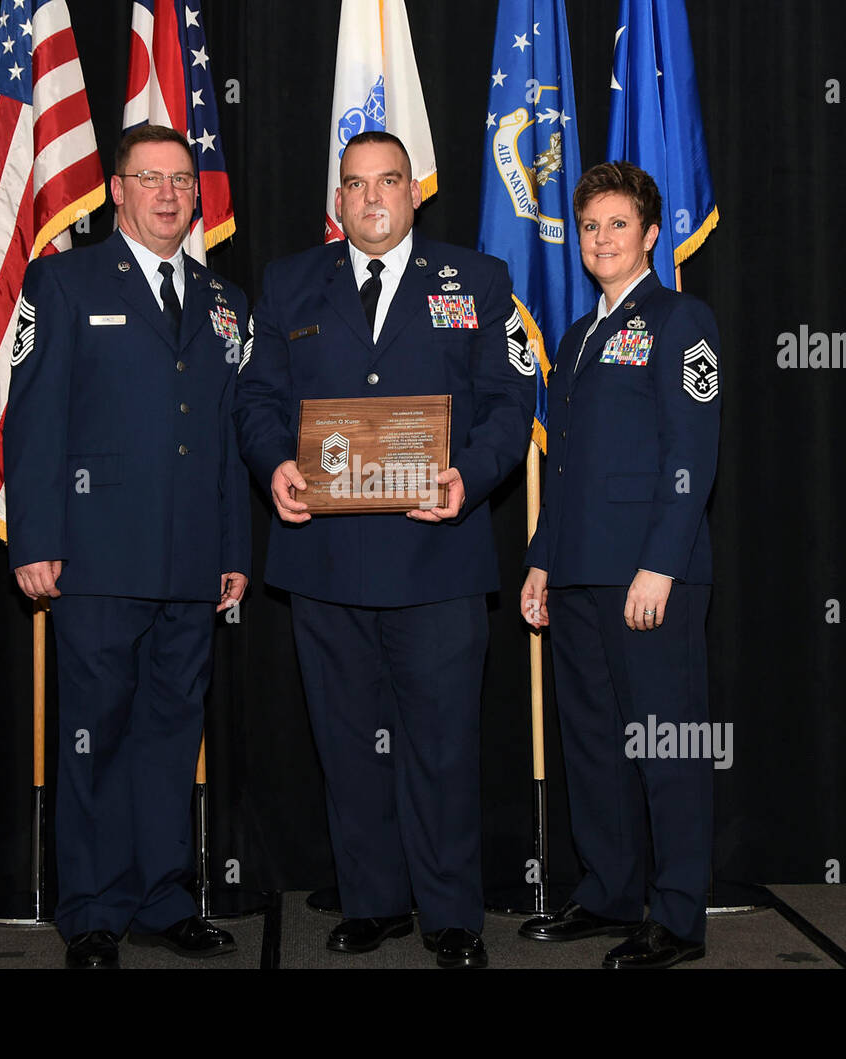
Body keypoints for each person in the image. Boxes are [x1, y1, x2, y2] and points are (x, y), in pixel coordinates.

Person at [234, 131, 534, 969]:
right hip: (324, 559)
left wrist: (469, 478)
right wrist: (275, 466)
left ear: (413, 193)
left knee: (442, 745)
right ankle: (372, 901)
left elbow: (513, 401)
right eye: (356, 185)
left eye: (389, 181)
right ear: (338, 201)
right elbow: (256, 398)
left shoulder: (478, 280)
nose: (372, 198)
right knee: (344, 740)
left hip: (437, 558)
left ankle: (449, 913)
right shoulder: (290, 282)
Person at [4, 125, 250, 969]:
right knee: (95, 735)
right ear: (117, 189)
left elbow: (225, 435)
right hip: (95, 554)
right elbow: (33, 424)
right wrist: (34, 537)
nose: (170, 194)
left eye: (183, 180)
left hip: (191, 561)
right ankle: (94, 908)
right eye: (151, 179)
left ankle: (164, 897)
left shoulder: (225, 301)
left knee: (172, 734)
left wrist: (235, 548)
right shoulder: (63, 281)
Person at [518, 161, 721, 969]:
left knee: (665, 745)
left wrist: (660, 566)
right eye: (591, 226)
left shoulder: (682, 320)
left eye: (618, 225)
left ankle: (677, 916)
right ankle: (607, 890)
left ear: (650, 233)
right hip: (575, 574)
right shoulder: (575, 335)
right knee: (594, 742)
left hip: (649, 577)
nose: (602, 239)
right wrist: (539, 563)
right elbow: (561, 467)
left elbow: (693, 454)